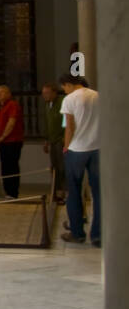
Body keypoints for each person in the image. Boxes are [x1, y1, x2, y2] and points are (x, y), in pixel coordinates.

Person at [59, 74, 99, 246]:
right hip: (97, 148)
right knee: (99, 194)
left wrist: (66, 147)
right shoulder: (97, 95)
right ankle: (98, 235)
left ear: (68, 84)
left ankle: (77, 232)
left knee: (74, 191)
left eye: (64, 88)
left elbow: (70, 125)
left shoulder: (70, 99)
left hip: (77, 149)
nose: (64, 91)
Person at [0, 85, 24, 199]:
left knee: (12, 166)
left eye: (2, 93)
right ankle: (8, 191)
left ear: (8, 94)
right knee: (5, 166)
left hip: (12, 141)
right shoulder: (0, 107)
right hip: (4, 142)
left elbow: (11, 122)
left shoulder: (12, 105)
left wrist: (3, 136)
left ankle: (13, 192)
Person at [40, 82, 66, 205]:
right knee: (54, 167)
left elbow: (66, 120)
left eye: (47, 93)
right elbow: (47, 123)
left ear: (54, 92)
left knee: (62, 167)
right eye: (43, 93)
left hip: (61, 139)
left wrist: (65, 138)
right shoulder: (47, 105)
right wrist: (46, 140)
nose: (44, 95)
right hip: (52, 140)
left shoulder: (62, 102)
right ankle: (55, 191)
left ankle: (63, 192)